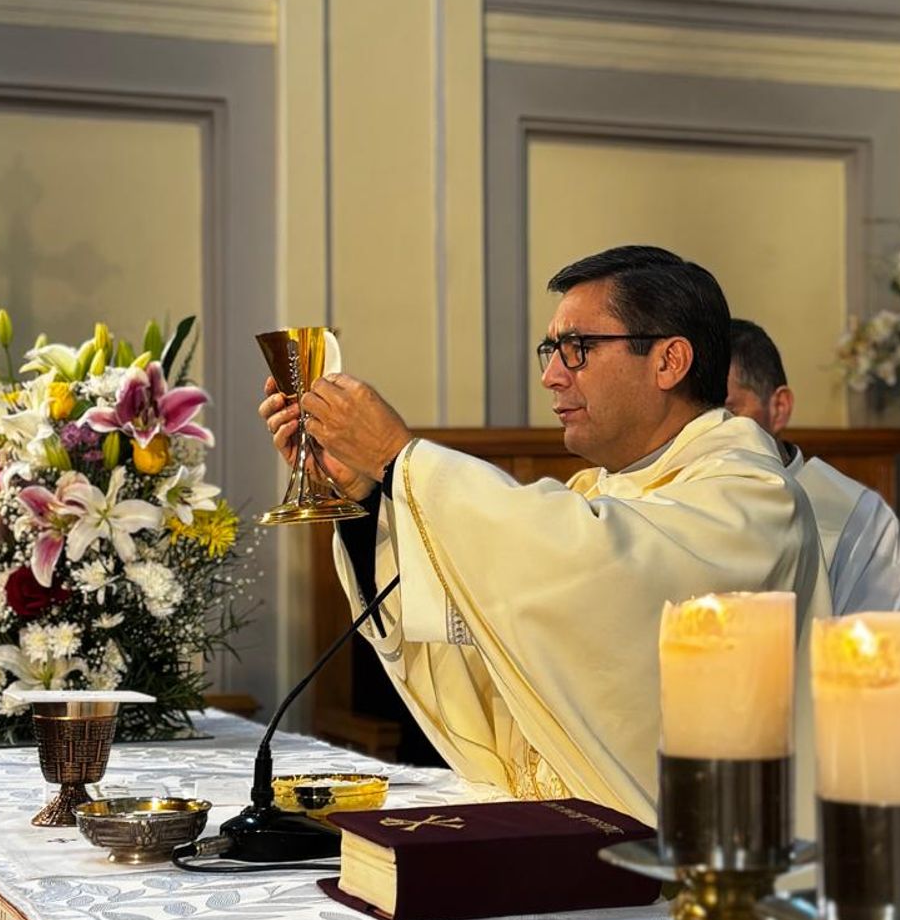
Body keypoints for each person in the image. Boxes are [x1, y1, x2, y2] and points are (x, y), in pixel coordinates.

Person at [260, 246, 827, 825]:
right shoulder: (597, 493)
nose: (551, 376)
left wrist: (398, 458)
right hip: (560, 836)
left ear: (669, 361)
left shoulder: (755, 499)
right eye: (549, 350)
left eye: (577, 349)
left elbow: (609, 571)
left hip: (685, 873)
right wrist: (369, 496)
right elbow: (480, 637)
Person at [726, 319, 900, 615]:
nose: (708, 431)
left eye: (727, 412)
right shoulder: (674, 501)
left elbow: (880, 644)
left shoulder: (859, 519)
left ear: (779, 408)